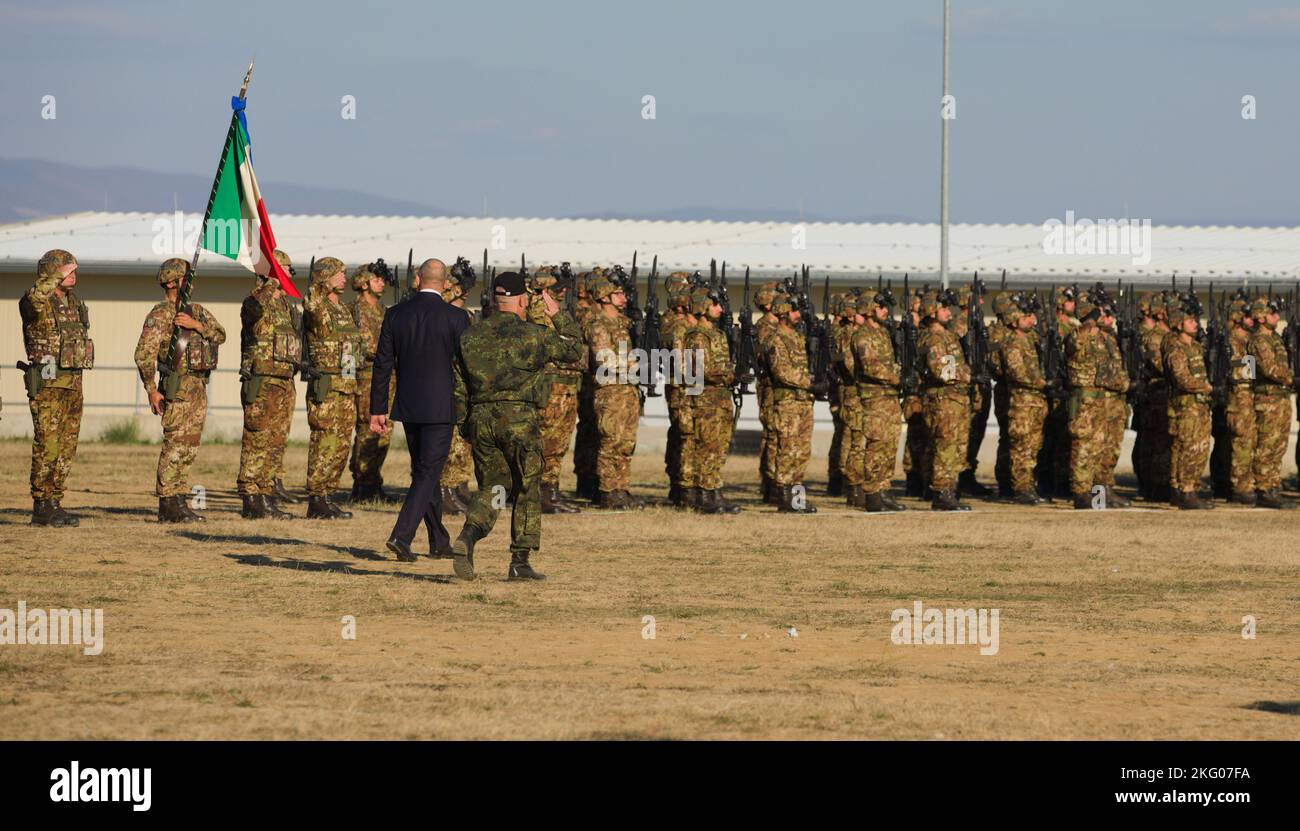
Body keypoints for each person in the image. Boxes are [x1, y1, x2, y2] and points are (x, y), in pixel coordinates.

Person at [450, 271, 585, 581]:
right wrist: (558, 315)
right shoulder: (533, 335)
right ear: (523, 300)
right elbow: (574, 350)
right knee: (526, 487)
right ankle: (519, 561)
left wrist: (464, 423)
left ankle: (469, 535)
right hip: (519, 421)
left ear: (496, 301)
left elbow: (458, 384)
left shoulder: (470, 336)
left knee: (495, 487)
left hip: (482, 420)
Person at [369, 259, 471, 561]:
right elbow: (466, 367)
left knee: (425, 474)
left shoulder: (395, 315)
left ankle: (439, 541)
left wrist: (378, 407)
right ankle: (402, 535)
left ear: (417, 279)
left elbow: (383, 363)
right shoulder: (457, 317)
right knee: (428, 473)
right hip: (441, 406)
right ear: (446, 284)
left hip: (409, 405)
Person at [134, 258, 226, 522]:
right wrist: (152, 390)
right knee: (175, 444)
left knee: (189, 447)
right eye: (187, 277)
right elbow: (143, 355)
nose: (191, 282)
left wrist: (196, 326)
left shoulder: (197, 311)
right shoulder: (160, 314)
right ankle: (167, 502)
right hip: (177, 388)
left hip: (198, 387)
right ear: (173, 282)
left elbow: (220, 334)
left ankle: (179, 498)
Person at [20, 249, 89, 527]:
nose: (72, 275)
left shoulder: (75, 303)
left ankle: (55, 501)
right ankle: (41, 505)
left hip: (72, 383)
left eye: (73, 270)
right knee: (47, 444)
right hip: (47, 384)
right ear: (50, 273)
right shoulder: (34, 301)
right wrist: (55, 277)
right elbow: (34, 298)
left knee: (66, 445)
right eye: (65, 270)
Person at [237, 249, 299, 520]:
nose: (290, 275)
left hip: (284, 380)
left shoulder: (284, 306)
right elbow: (251, 316)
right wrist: (270, 283)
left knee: (276, 441)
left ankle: (265, 493)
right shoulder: (255, 300)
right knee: (257, 438)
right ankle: (251, 497)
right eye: (286, 269)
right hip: (262, 381)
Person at [303, 257, 364, 519]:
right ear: (326, 277)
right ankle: (316, 498)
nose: (344, 278)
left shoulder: (344, 309)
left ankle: (328, 494)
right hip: (327, 385)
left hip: (347, 385)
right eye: (339, 274)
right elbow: (312, 305)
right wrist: (318, 284)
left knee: (341, 444)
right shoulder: (319, 305)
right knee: (324, 441)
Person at [527, 267, 586, 514]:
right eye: (556, 287)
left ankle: (551, 491)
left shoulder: (557, 311)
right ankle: (543, 494)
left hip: (564, 386)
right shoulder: (539, 310)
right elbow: (558, 347)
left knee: (558, 442)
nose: (563, 290)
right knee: (548, 442)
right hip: (550, 386)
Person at [583, 276, 643, 509]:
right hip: (610, 390)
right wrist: (635, 364)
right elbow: (604, 359)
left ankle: (621, 488)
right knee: (611, 442)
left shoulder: (624, 324)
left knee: (626, 443)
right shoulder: (599, 325)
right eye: (617, 293)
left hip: (628, 389)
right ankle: (608, 491)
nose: (623, 297)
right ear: (604, 297)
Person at [1064, 295, 1129, 509]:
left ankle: (1101, 493)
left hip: (1104, 400)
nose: (1107, 317)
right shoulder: (1079, 334)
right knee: (1084, 447)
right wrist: (1090, 320)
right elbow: (1075, 341)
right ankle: (1081, 493)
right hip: (1085, 400)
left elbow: (1114, 370)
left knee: (1103, 448)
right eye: (1102, 313)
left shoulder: (1108, 339)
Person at [682, 286, 741, 513]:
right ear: (701, 307)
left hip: (721, 398)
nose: (720, 308)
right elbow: (701, 368)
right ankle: (704, 496)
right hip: (706, 399)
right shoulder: (696, 336)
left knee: (719, 448)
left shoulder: (718, 335)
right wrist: (732, 372)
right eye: (714, 304)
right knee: (706, 447)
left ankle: (714, 491)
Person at [850, 290, 905, 512]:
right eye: (881, 307)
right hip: (874, 398)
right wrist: (897, 377)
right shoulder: (862, 336)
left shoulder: (883, 333)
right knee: (876, 445)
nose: (885, 311)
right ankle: (872, 494)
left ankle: (884, 489)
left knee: (889, 445)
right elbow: (870, 366)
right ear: (869, 309)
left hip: (889, 397)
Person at [918, 291, 972, 511]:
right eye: (943, 309)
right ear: (932, 312)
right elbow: (943, 371)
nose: (949, 312)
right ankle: (941, 493)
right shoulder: (934, 339)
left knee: (955, 447)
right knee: (945, 446)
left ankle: (949, 489)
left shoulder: (947, 336)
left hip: (955, 399)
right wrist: (968, 374)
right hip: (943, 399)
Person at [766, 298, 821, 512]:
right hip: (788, 403)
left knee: (802, 452)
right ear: (783, 313)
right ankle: (784, 497)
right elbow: (782, 372)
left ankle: (797, 499)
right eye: (794, 312)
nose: (798, 315)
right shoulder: (776, 340)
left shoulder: (798, 338)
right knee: (788, 450)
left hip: (804, 402)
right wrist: (811, 382)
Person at [347, 263, 395, 502]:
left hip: (387, 378)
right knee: (368, 429)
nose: (382, 283)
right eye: (376, 279)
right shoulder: (355, 310)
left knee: (384, 432)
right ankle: (363, 482)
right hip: (366, 377)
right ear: (364, 283)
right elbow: (358, 346)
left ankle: (373, 481)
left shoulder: (384, 310)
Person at [998, 296, 1051, 504]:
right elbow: (1017, 372)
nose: (1032, 320)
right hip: (1022, 403)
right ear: (1014, 321)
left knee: (1033, 446)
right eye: (1026, 317)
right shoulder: (1012, 343)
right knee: (1022, 447)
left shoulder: (1031, 341)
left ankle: (1029, 486)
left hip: (1036, 402)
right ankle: (1021, 489)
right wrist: (1043, 382)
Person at [1162, 302, 1214, 509]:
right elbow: (1182, 379)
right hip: (1186, 407)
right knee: (1189, 449)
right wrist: (1207, 387)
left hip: (1199, 406)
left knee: (1197, 449)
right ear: (1178, 324)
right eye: (1190, 321)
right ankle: (1186, 491)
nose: (1195, 324)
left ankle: (1183, 489)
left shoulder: (1196, 347)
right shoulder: (1176, 349)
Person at [1247, 298, 1296, 509]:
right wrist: (1293, 379)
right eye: (1273, 313)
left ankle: (1273, 485)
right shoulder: (1259, 341)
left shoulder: (1275, 338)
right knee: (1267, 446)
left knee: (1278, 446)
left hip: (1280, 399)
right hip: (1267, 401)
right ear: (1261, 316)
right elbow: (1269, 369)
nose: (1277, 317)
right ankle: (1263, 489)